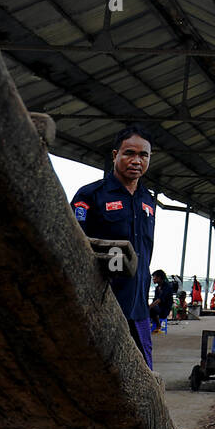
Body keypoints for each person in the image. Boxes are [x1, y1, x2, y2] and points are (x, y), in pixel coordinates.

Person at [71, 124, 159, 369]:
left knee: (143, 376)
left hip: (138, 306)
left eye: (144, 155)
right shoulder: (90, 196)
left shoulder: (148, 201)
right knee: (96, 371)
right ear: (115, 155)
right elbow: (74, 247)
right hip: (101, 304)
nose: (136, 160)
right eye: (129, 153)